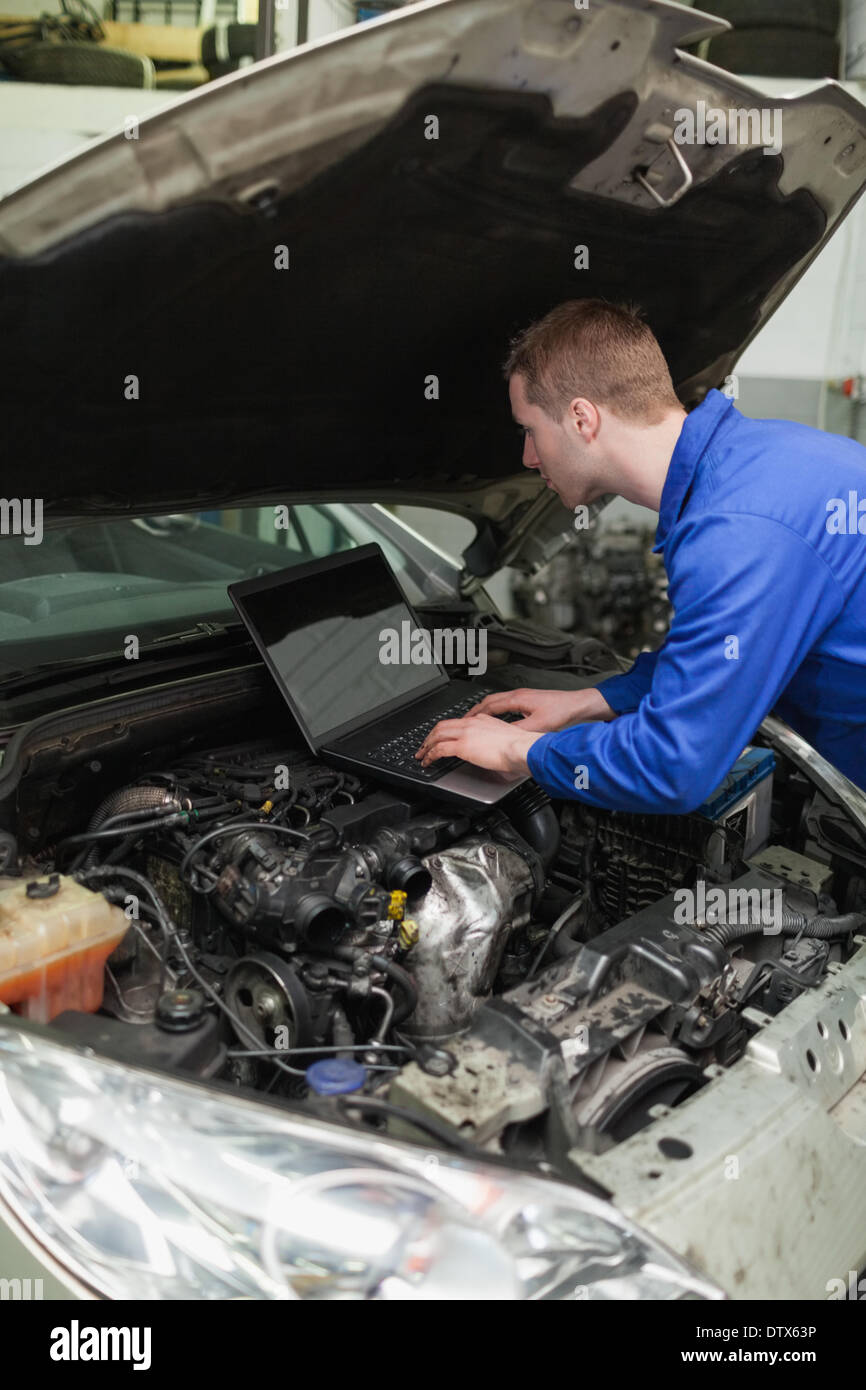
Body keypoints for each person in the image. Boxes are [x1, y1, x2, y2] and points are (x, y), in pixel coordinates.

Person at [416, 298, 866, 808]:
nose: (527, 457)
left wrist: (523, 749)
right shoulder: (756, 461)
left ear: (582, 419)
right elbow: (719, 655)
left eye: (530, 429)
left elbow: (673, 768)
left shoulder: (736, 533)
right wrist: (591, 701)